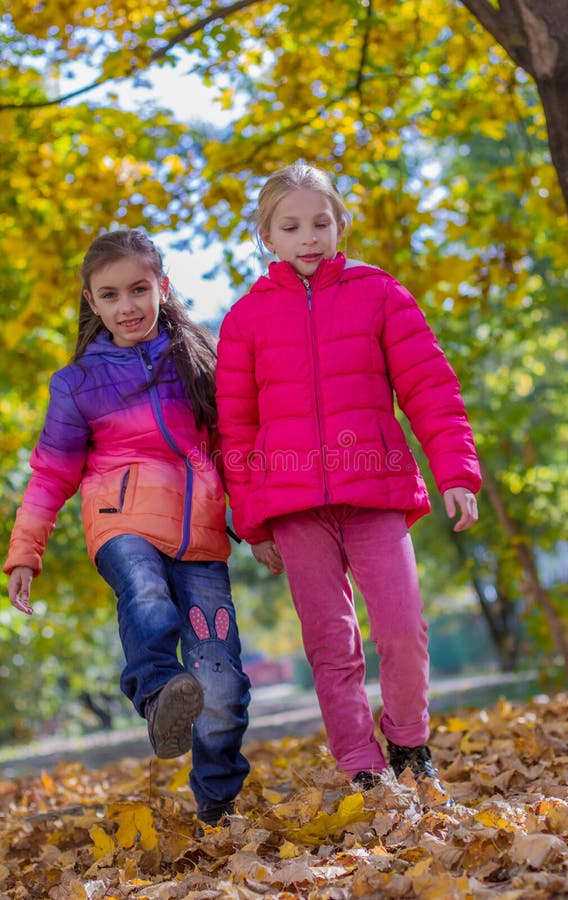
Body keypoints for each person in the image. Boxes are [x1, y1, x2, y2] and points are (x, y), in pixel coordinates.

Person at [215, 162, 481, 806]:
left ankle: (410, 743)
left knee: (402, 627)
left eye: (320, 222)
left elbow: (430, 387)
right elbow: (237, 430)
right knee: (331, 645)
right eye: (291, 226)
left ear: (339, 225)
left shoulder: (380, 294)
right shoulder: (245, 320)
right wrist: (251, 523)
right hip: (294, 508)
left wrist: (455, 471)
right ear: (267, 236)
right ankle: (362, 765)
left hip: (377, 493)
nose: (308, 237)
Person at [4, 228, 250, 827]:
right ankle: (158, 690)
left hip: (200, 537)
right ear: (93, 302)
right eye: (111, 295)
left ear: (163, 288)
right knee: (143, 592)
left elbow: (233, 449)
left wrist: (255, 520)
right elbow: (49, 474)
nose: (128, 306)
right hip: (121, 523)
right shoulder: (78, 384)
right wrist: (24, 552)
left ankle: (216, 802)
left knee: (220, 679)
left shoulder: (197, 361)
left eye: (139, 289)